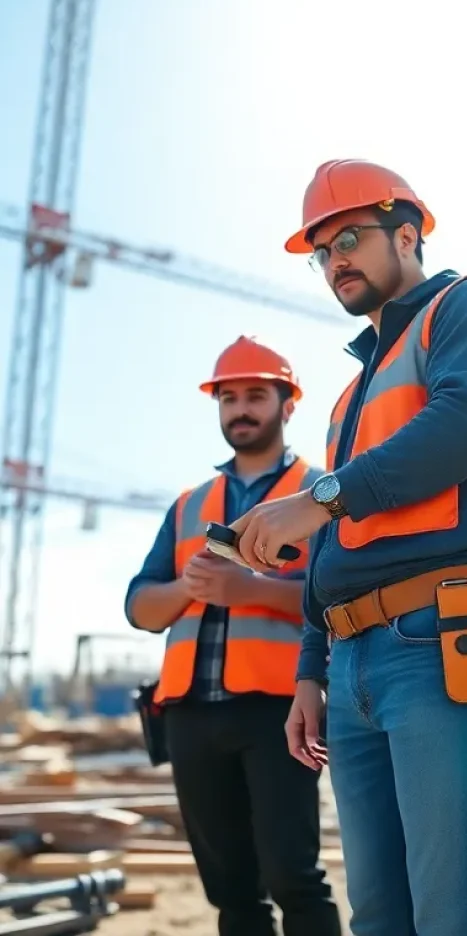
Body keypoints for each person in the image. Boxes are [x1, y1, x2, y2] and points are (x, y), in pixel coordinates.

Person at [228, 159, 467, 936]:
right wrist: (313, 668)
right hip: (357, 660)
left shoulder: (466, 307)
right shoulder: (352, 393)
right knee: (379, 915)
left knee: (457, 911)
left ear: (407, 234)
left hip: (452, 631)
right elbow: (341, 543)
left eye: (350, 237)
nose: (335, 259)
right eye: (322, 250)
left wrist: (319, 496)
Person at [124, 336, 343, 936]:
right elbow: (141, 607)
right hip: (191, 716)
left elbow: (346, 596)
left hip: (280, 711)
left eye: (255, 395)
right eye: (229, 398)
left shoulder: (321, 493)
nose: (240, 409)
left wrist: (251, 591)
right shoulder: (190, 504)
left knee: (292, 875)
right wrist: (190, 590)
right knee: (230, 892)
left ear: (287, 405)